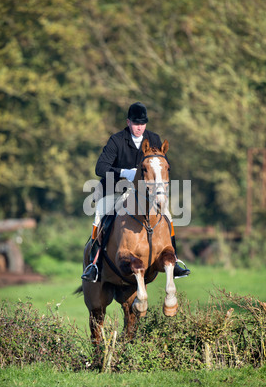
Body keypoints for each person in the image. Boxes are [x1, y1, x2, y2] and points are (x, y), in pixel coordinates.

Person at [81, 102, 190, 282]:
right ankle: (95, 264)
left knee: (168, 215)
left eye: (142, 123)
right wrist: (124, 172)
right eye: (135, 123)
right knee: (100, 215)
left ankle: (175, 260)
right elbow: (100, 168)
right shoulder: (117, 140)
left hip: (145, 192)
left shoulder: (154, 138)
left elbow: (163, 166)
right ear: (128, 122)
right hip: (115, 188)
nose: (139, 127)